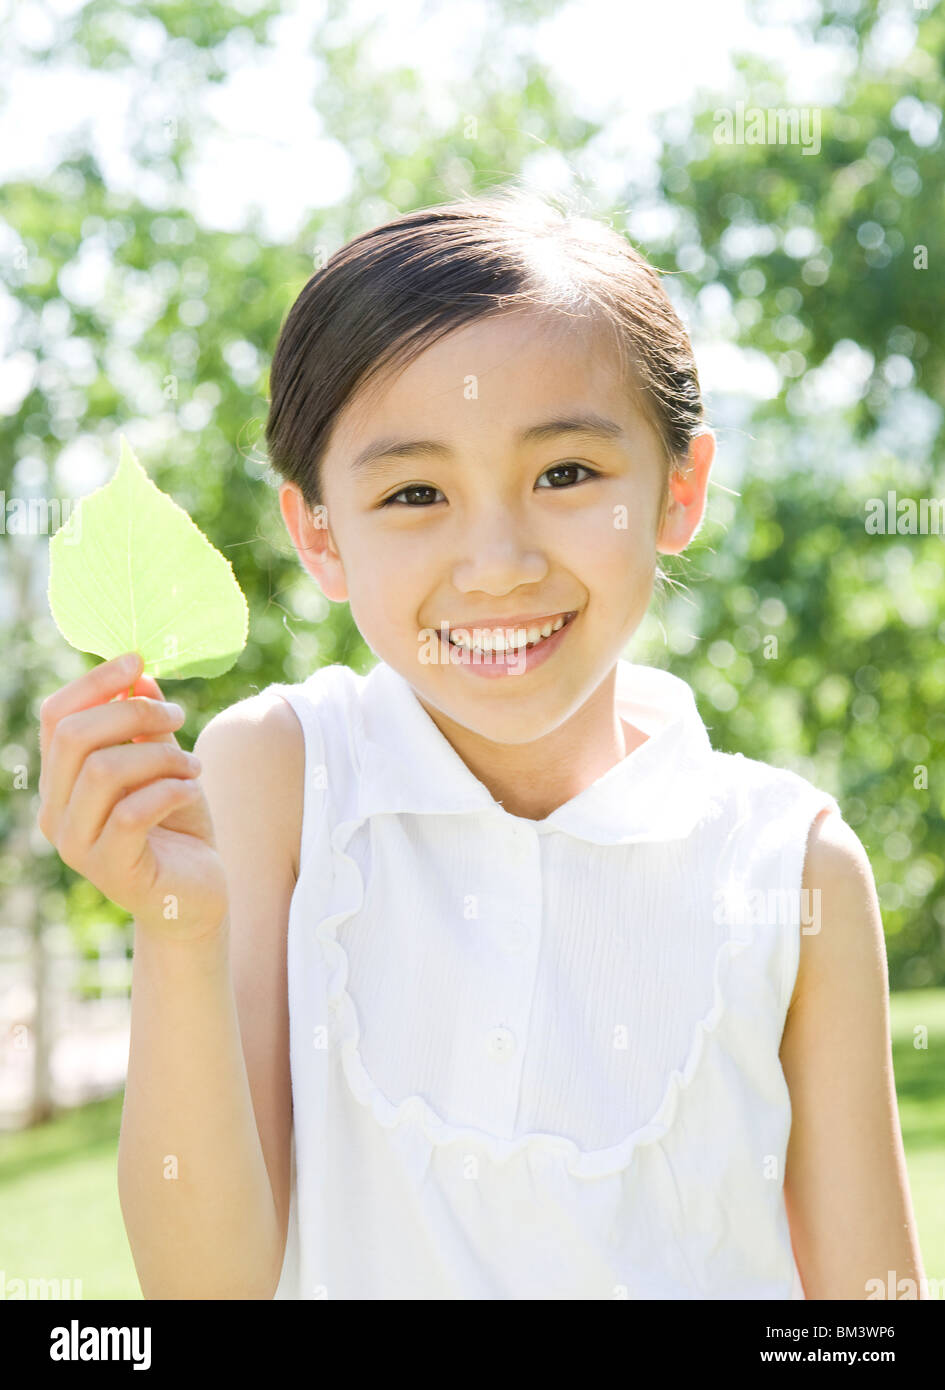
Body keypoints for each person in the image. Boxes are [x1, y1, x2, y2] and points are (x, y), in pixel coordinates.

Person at [37, 188, 925, 1300]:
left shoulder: (789, 862)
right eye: (416, 491)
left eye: (566, 474)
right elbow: (204, 1293)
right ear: (319, 536)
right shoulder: (277, 778)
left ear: (678, 491)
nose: (497, 561)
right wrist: (178, 931)